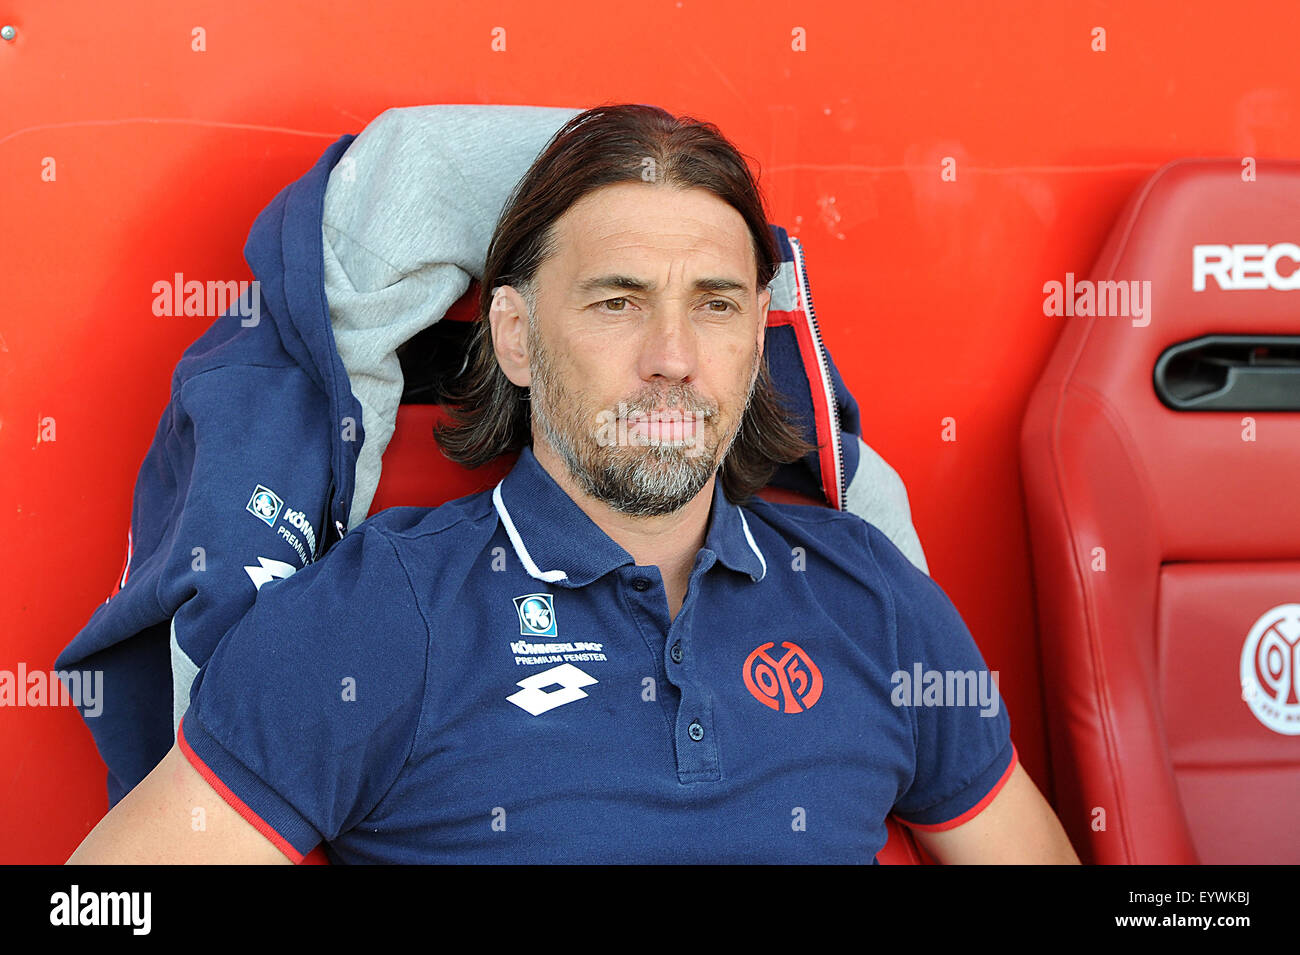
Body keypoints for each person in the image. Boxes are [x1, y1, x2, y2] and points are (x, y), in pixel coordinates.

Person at [68, 104, 1078, 864]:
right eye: (617, 301)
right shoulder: (385, 612)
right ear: (514, 335)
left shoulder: (871, 595)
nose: (673, 356)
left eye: (716, 305)